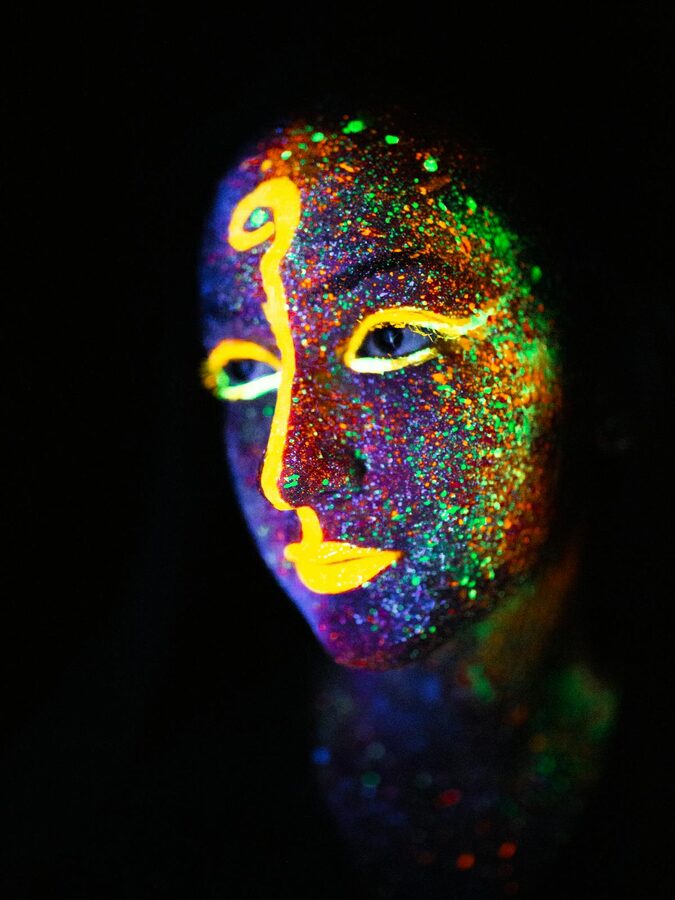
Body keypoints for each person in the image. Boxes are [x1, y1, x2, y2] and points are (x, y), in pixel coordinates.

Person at [199, 111, 617, 897]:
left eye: (390, 341)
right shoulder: (134, 829)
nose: (291, 473)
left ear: (609, 361)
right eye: (246, 373)